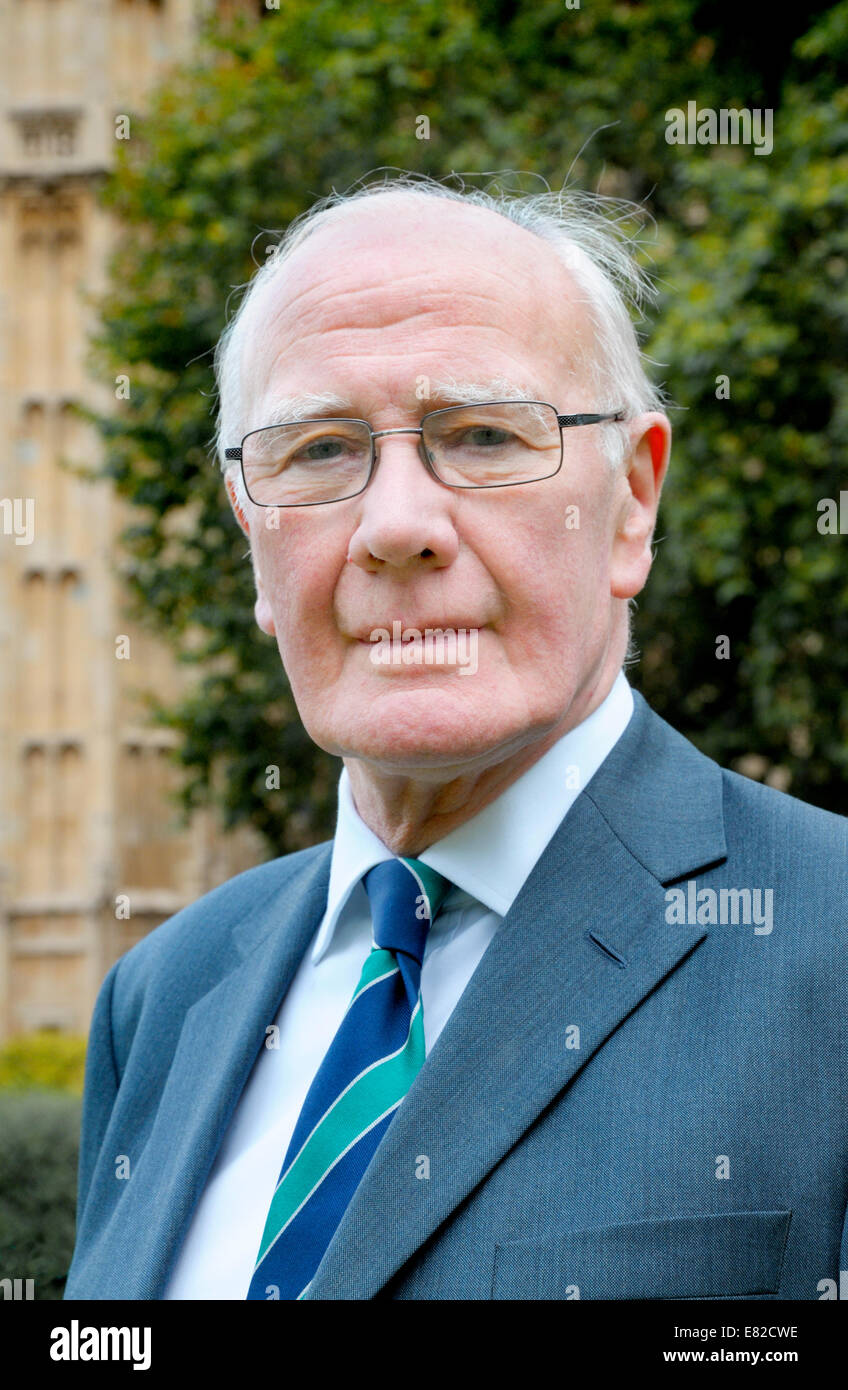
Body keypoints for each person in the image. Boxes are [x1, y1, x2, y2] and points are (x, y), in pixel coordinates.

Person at [64, 173, 848, 1301]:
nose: (393, 526)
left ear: (630, 502)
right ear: (252, 532)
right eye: (319, 450)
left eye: (481, 435)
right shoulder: (163, 996)